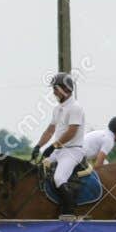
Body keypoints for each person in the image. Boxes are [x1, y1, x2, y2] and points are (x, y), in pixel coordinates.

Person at [30, 72, 86, 215]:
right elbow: (50, 130)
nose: (54, 92)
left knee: (59, 178)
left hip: (73, 151)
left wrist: (53, 146)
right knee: (38, 170)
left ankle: (70, 211)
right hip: (59, 151)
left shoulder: (75, 108)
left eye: (55, 88)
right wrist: (38, 146)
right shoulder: (57, 109)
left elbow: (72, 132)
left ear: (65, 89)